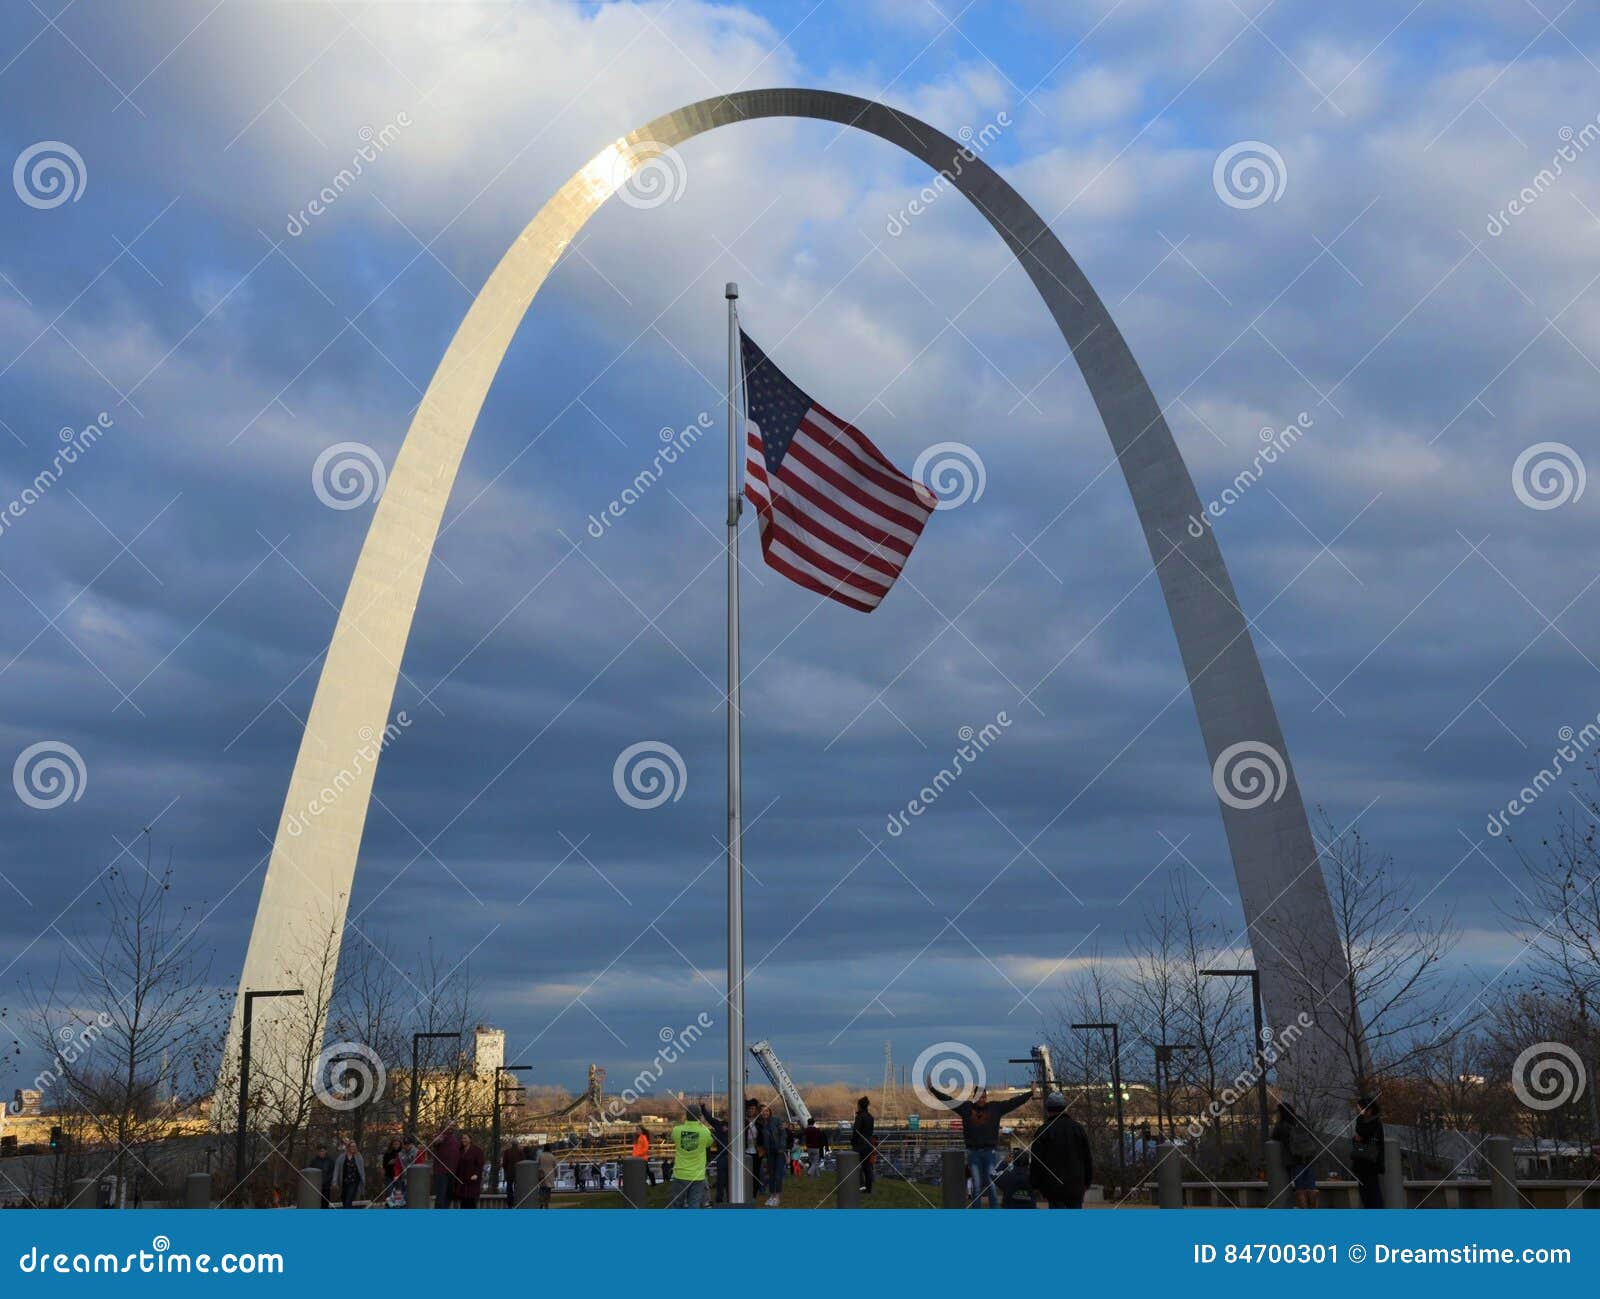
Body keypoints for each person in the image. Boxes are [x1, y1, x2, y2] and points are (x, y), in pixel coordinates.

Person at [924, 1081, 1032, 1208]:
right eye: (980, 1097)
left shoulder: (995, 1108)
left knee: (992, 1185)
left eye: (984, 1097)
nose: (982, 1099)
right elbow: (949, 1100)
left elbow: (1013, 1102)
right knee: (976, 1186)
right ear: (974, 1097)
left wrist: (1030, 1093)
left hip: (989, 1152)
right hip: (973, 1153)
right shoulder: (966, 1108)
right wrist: (933, 1089)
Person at [1029, 1092, 1094, 1208]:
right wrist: (1087, 1181)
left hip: (1053, 1186)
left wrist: (1035, 1184)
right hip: (1076, 1184)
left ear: (1048, 1108)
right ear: (1064, 1107)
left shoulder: (1043, 1131)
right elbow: (1087, 1158)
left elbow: (1037, 1161)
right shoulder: (1078, 1129)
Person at [1272, 1102, 1318, 1208]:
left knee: (1300, 1187)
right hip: (1309, 1157)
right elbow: (1310, 1134)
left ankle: (1304, 1210)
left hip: (1295, 1159)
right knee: (1311, 1186)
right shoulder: (1301, 1120)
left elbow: (1274, 1137)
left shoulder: (1281, 1125)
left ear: (1281, 1113)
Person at [669, 1109, 715, 1208]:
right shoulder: (704, 1131)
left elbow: (673, 1138)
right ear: (699, 1117)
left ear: (686, 1116)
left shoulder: (677, 1130)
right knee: (694, 1204)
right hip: (697, 1175)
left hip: (680, 1173)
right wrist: (701, 1124)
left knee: (677, 1204)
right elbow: (709, 1142)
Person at [1351, 1094, 1385, 1208]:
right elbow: (1358, 1137)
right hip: (1366, 1161)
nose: (1359, 1111)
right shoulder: (1372, 1122)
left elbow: (1361, 1133)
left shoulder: (1373, 1123)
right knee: (1367, 1191)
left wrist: (1360, 1119)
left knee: (1371, 1192)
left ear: (1369, 1109)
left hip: (1369, 1162)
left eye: (1361, 1109)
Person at [430, 1121, 461, 1209]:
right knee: (441, 1195)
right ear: (445, 1126)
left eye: (453, 1125)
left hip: (452, 1171)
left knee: (449, 1194)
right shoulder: (441, 1135)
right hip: (441, 1171)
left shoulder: (455, 1138)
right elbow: (435, 1142)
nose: (451, 1127)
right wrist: (437, 1140)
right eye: (449, 1125)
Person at [760, 1105, 787, 1207]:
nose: (764, 1113)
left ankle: (777, 1197)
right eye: (762, 1111)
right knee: (771, 1175)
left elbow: (783, 1134)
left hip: (779, 1151)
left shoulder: (776, 1120)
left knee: (778, 1175)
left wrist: (782, 1147)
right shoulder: (762, 1124)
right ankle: (772, 1195)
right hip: (769, 1152)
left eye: (766, 1111)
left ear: (770, 1111)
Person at [851, 1096, 876, 1195]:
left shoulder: (860, 1117)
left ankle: (861, 1186)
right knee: (867, 1166)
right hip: (869, 1143)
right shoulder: (870, 1117)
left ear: (860, 1106)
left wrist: (853, 1142)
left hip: (860, 1144)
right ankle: (869, 1188)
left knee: (855, 1165)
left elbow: (856, 1131)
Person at [331, 1139, 365, 1208]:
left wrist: (363, 1182)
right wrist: (334, 1182)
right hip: (344, 1182)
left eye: (354, 1146)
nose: (353, 1148)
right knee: (344, 1200)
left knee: (348, 1201)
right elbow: (336, 1170)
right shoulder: (341, 1157)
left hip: (354, 1182)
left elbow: (362, 1171)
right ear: (348, 1147)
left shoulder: (359, 1157)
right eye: (352, 1146)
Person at [456, 1134, 485, 1207]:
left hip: (472, 1180)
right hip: (462, 1180)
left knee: (471, 1202)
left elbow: (480, 1164)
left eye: (465, 1138)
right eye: (462, 1138)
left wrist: (476, 1174)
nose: (463, 1140)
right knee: (463, 1202)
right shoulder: (460, 1150)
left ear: (470, 1140)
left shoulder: (477, 1150)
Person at [310, 1144, 335, 1209]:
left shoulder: (330, 1161)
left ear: (326, 1151)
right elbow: (311, 1172)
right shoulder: (314, 1161)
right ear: (317, 1152)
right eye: (320, 1151)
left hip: (326, 1186)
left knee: (325, 1204)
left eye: (323, 1151)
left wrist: (327, 1181)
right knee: (316, 1203)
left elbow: (332, 1172)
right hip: (316, 1187)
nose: (321, 1152)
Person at [536, 1144, 558, 1208]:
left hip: (542, 1175)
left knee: (542, 1189)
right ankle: (546, 1203)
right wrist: (556, 1174)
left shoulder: (540, 1156)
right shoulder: (552, 1156)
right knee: (548, 1191)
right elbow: (555, 1167)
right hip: (550, 1175)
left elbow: (536, 1164)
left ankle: (541, 1203)